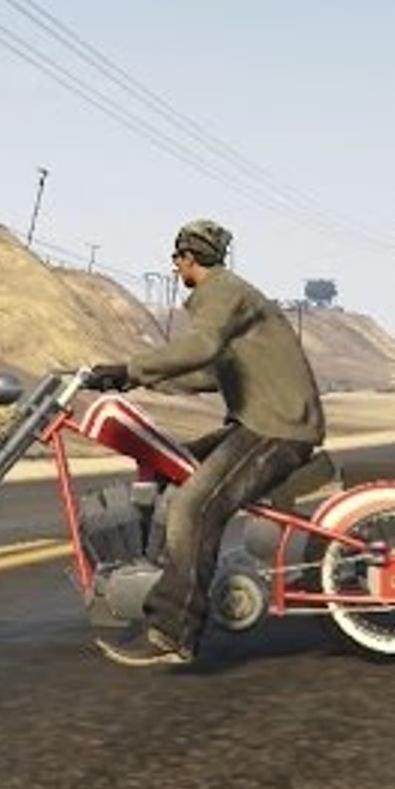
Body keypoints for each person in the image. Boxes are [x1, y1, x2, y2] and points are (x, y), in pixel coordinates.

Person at [86, 218, 326, 667]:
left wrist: (132, 368)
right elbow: (210, 373)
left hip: (276, 429)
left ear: (188, 258)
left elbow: (200, 346)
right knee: (169, 466)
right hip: (262, 422)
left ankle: (172, 632)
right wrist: (132, 380)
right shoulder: (230, 296)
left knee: (194, 506)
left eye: (177, 260)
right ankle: (160, 577)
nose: (176, 269)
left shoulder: (220, 292)